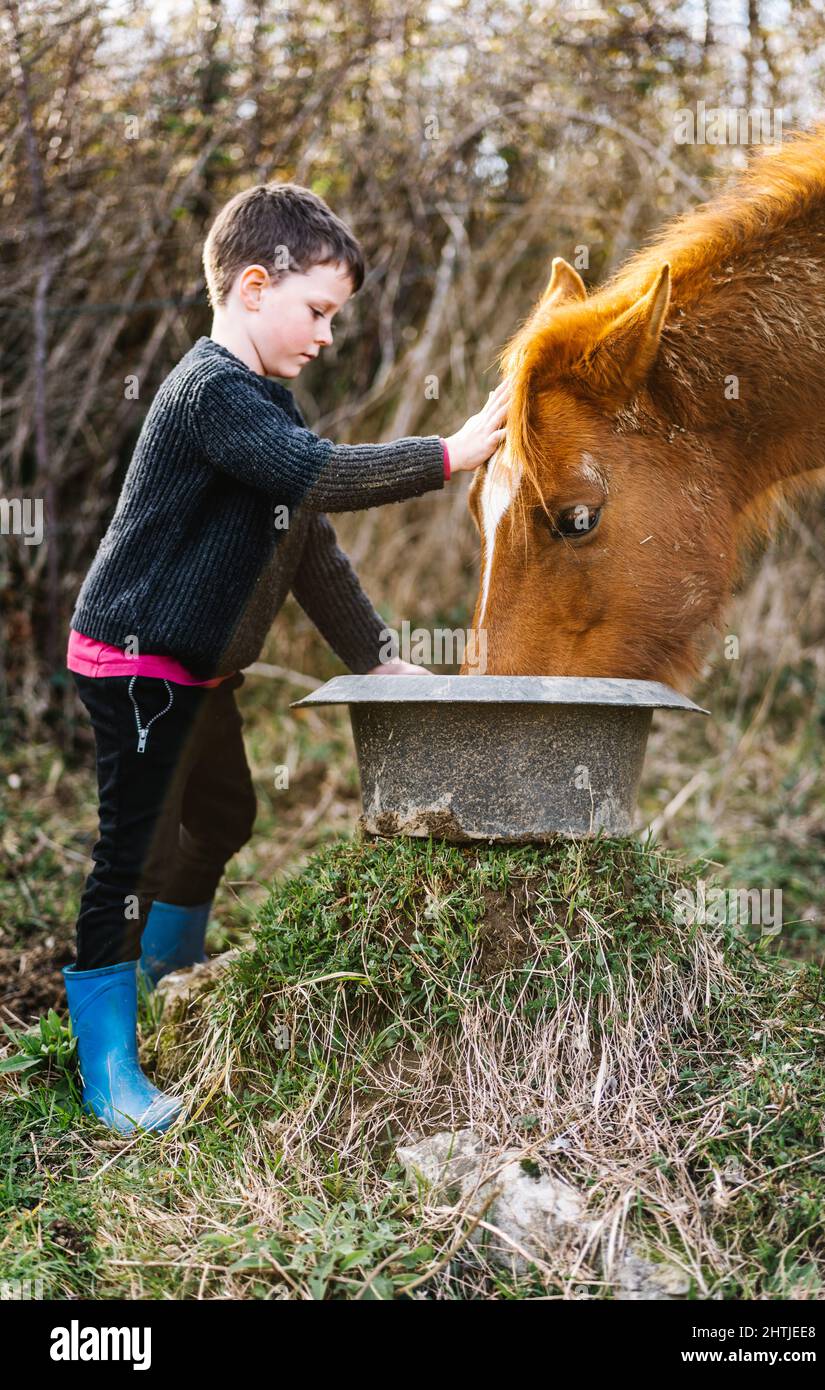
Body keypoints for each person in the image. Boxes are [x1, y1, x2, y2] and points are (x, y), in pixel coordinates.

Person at [63, 181, 511, 1135]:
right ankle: (108, 1066)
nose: (324, 334)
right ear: (254, 286)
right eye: (317, 311)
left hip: (199, 670)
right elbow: (321, 478)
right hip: (136, 662)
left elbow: (306, 542)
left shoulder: (267, 399)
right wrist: (449, 453)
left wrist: (379, 657)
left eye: (333, 317)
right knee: (130, 854)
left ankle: (171, 975)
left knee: (225, 811)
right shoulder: (212, 392)